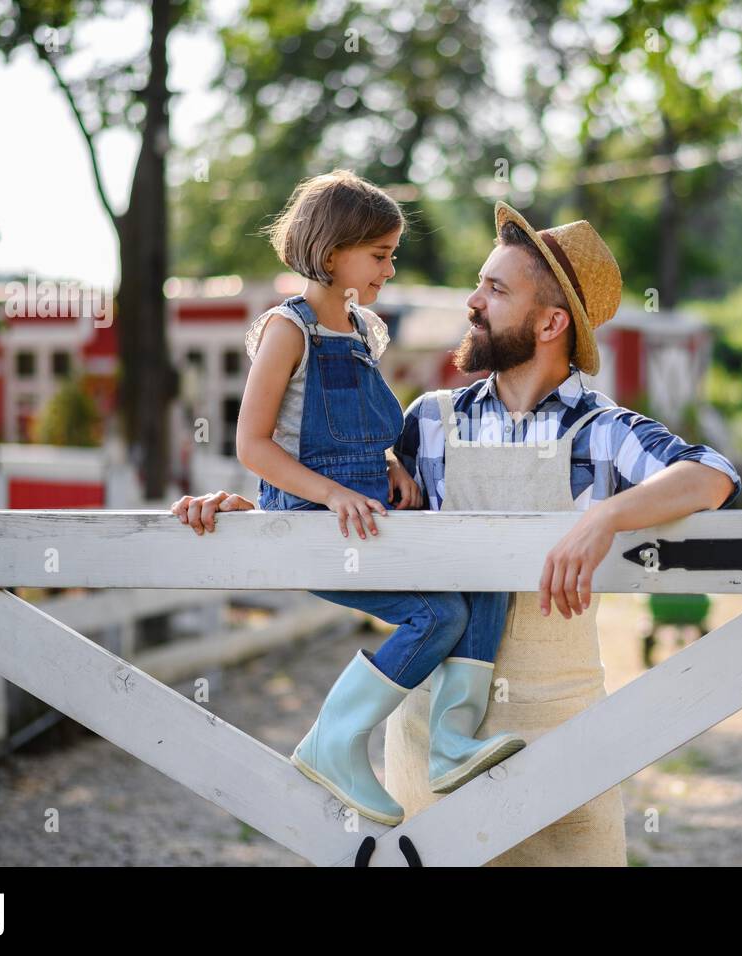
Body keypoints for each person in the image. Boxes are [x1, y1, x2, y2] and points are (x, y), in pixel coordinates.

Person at [173, 200, 742, 865]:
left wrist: (607, 514)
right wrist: (254, 512)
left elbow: (711, 474)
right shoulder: (431, 421)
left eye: (495, 290)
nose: (472, 302)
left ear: (552, 321)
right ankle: (415, 736)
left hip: (557, 744)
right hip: (426, 761)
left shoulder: (603, 431)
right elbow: (352, 510)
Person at [211, 169, 521, 828]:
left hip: (367, 521)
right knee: (435, 616)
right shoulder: (287, 330)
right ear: (331, 254)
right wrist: (332, 494)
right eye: (379, 254)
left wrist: (386, 466)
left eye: (392, 254)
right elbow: (254, 446)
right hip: (310, 524)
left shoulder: (363, 331)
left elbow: (353, 430)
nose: (389, 266)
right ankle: (334, 741)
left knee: (488, 578)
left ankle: (451, 743)